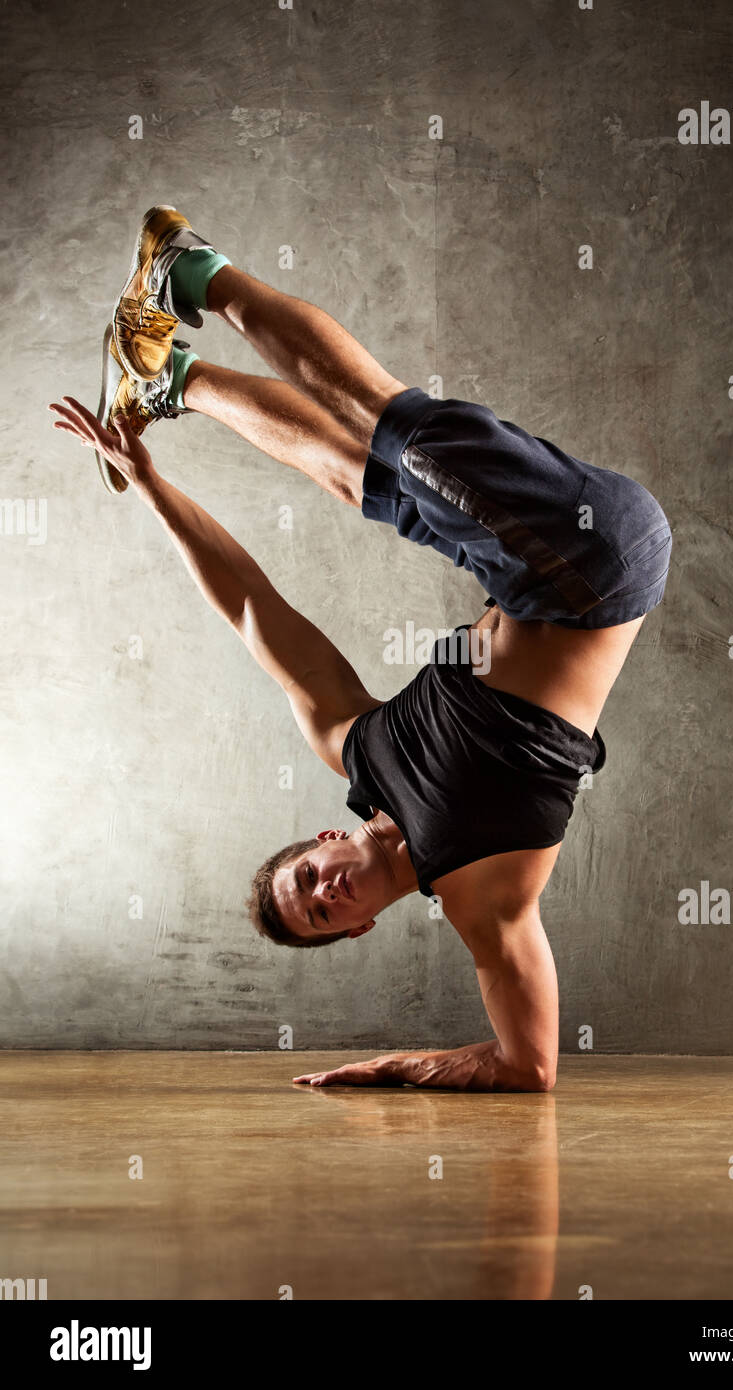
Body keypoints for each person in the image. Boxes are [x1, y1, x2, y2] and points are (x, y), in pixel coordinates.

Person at [49, 206, 672, 1092]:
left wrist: (153, 487)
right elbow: (528, 1066)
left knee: (361, 469)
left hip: (518, 560)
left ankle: (173, 371)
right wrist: (395, 1072)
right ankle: (189, 282)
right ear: (357, 931)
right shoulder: (480, 900)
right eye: (319, 916)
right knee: (385, 427)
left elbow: (255, 608)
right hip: (593, 567)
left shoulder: (358, 744)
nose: (321, 893)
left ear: (324, 838)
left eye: (306, 878)